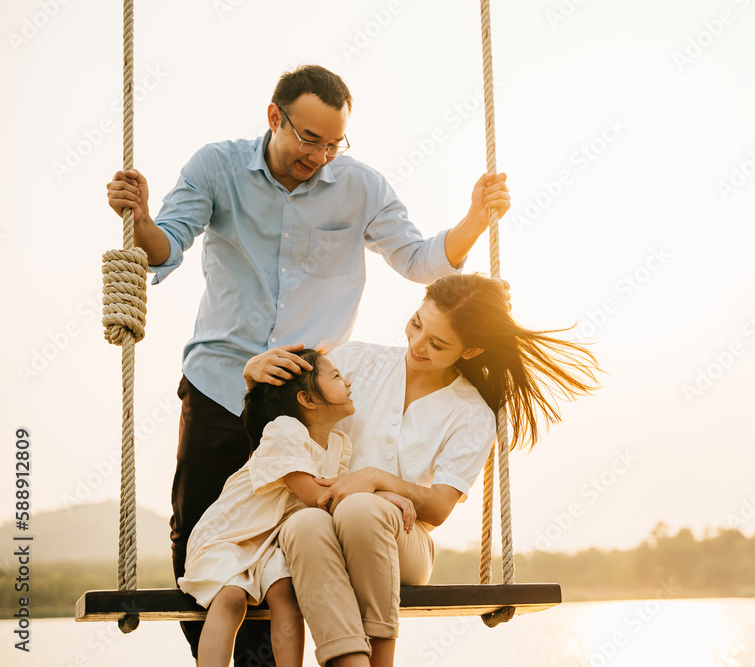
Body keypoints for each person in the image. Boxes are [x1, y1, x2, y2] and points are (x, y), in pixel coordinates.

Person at [104, 65, 510, 665]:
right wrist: (139, 224)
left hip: (309, 401)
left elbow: (422, 260)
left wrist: (476, 220)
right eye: (308, 138)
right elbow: (165, 248)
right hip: (222, 383)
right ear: (275, 117)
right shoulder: (215, 167)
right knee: (201, 532)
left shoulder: (362, 187)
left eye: (333, 143)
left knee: (293, 533)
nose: (319, 155)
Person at [244, 272, 601, 667]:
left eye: (438, 343)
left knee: (360, 509)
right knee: (301, 525)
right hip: (320, 524)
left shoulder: (471, 414)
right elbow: (280, 433)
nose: (416, 344)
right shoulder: (355, 362)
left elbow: (438, 509)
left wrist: (378, 479)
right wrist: (253, 380)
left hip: (403, 540)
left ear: (469, 351)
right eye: (417, 324)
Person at [178, 348, 417, 667]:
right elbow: (317, 496)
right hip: (233, 537)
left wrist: (383, 494)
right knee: (232, 600)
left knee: (287, 597)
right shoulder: (284, 432)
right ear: (308, 399)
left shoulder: (337, 445)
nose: (347, 382)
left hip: (270, 542)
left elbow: (345, 491)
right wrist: (386, 494)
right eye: (335, 376)